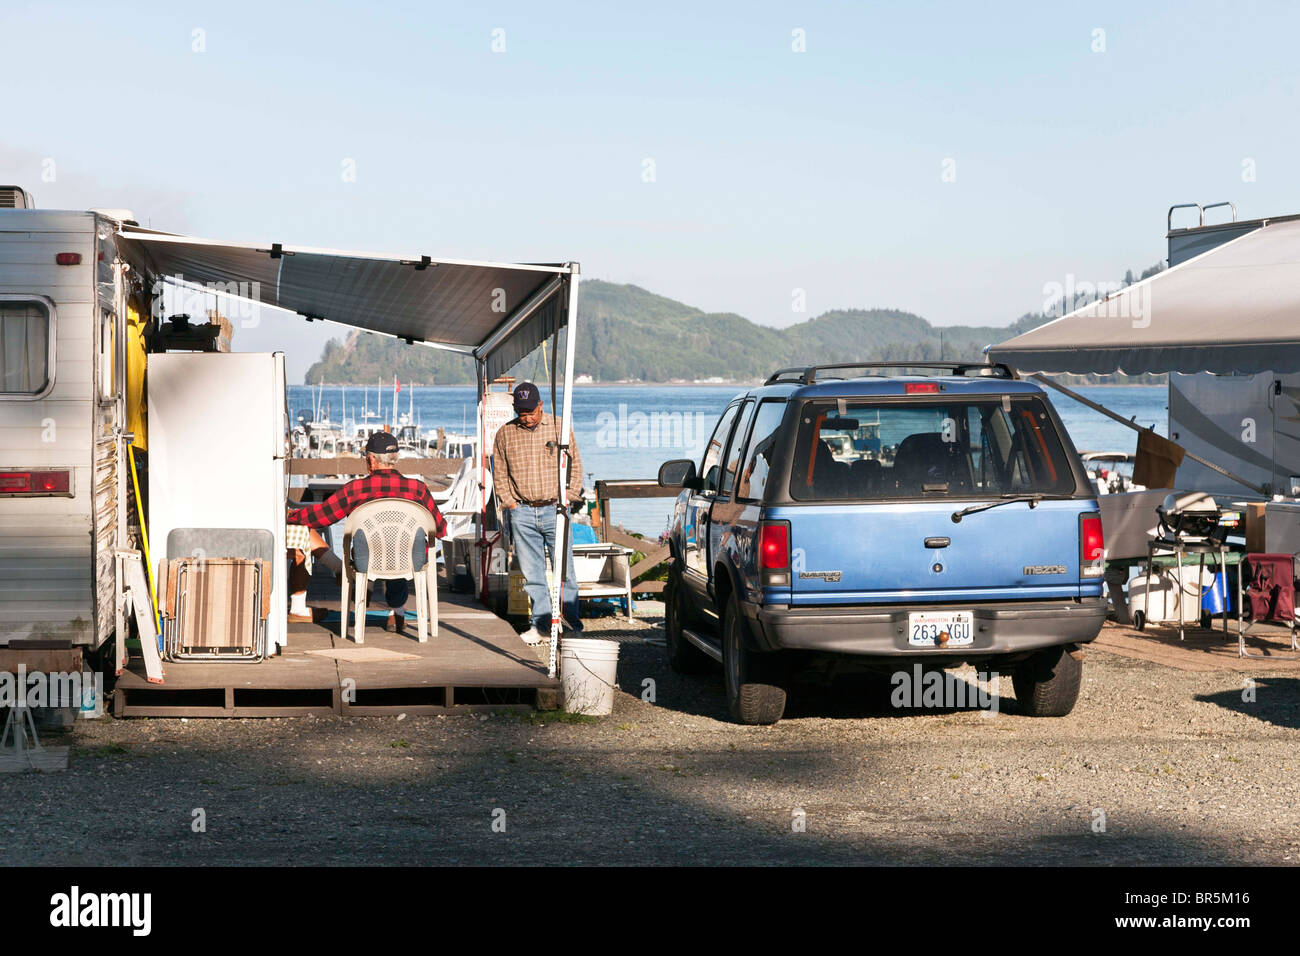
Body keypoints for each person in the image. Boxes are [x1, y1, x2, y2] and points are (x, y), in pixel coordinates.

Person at [287, 431, 447, 635]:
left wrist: (291, 515)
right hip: (410, 560)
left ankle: (366, 587)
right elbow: (441, 529)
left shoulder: (356, 489)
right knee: (401, 545)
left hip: (367, 559)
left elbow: (321, 517)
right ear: (394, 458)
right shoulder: (418, 489)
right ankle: (396, 610)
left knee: (380, 546)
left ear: (371, 460)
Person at [493, 382, 583, 645]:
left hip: (556, 509)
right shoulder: (505, 434)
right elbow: (499, 474)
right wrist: (510, 503)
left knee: (564, 572)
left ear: (540, 405)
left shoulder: (560, 426)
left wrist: (570, 497)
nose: (528, 417)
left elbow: (575, 465)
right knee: (533, 575)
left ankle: (571, 626)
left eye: (531, 411)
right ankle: (542, 627)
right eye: (522, 412)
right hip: (521, 510)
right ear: (515, 409)